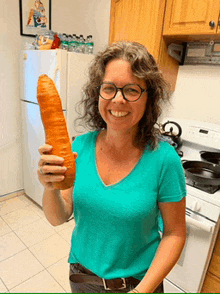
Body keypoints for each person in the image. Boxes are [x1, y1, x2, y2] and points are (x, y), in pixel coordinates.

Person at [38, 41, 186, 293]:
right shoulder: (80, 147)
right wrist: (50, 187)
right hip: (82, 279)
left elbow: (175, 234)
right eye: (109, 88)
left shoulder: (164, 160)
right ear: (98, 93)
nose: (118, 100)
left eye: (131, 90)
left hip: (139, 285)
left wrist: (142, 292)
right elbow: (58, 217)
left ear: (149, 97)